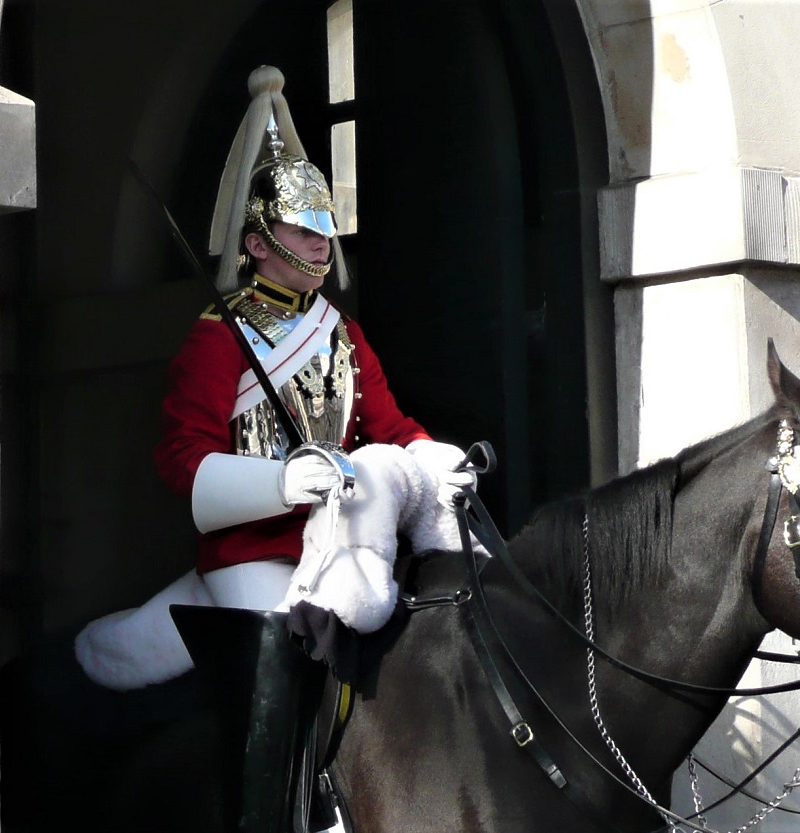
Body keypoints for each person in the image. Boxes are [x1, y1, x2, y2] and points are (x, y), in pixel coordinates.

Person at [74, 65, 476, 832]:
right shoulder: (218, 336)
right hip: (252, 553)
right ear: (257, 242)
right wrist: (282, 481)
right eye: (302, 228)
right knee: (296, 651)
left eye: (325, 227)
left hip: (347, 545)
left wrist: (434, 457)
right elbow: (182, 457)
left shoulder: (344, 333)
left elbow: (387, 425)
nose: (321, 242)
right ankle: (287, 811)